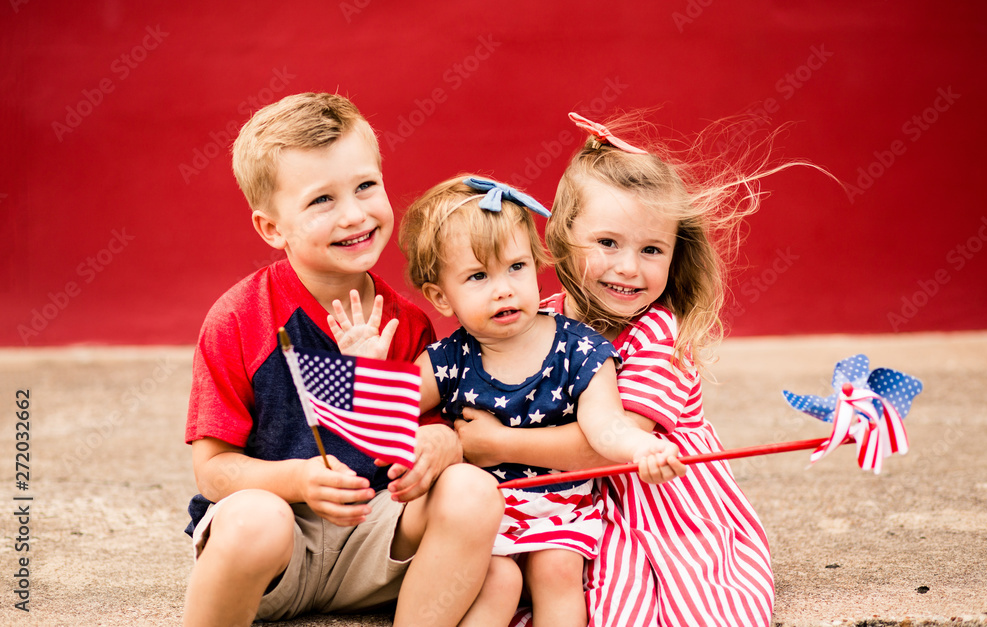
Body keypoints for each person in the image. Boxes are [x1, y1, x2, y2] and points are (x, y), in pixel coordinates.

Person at [181, 92, 505, 627]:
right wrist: (300, 480)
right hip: (276, 553)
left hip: (376, 543)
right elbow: (213, 472)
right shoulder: (238, 319)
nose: (354, 214)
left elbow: (433, 428)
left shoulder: (407, 323)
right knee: (254, 520)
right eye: (322, 200)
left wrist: (439, 445)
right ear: (272, 228)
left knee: (472, 491)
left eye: (365, 186)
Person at [455, 112, 784, 626]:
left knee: (639, 602)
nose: (629, 267)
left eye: (651, 250)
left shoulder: (659, 336)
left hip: (650, 504)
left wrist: (497, 444)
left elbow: (604, 447)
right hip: (558, 499)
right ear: (562, 236)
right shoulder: (540, 320)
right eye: (608, 243)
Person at [330, 175, 687, 627]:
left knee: (557, 569)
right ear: (441, 297)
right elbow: (382, 415)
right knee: (495, 579)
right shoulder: (448, 359)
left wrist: (642, 448)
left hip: (560, 506)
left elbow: (607, 425)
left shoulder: (580, 348)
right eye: (478, 276)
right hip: (484, 514)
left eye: (516, 267)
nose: (503, 289)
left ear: (535, 266)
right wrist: (363, 370)